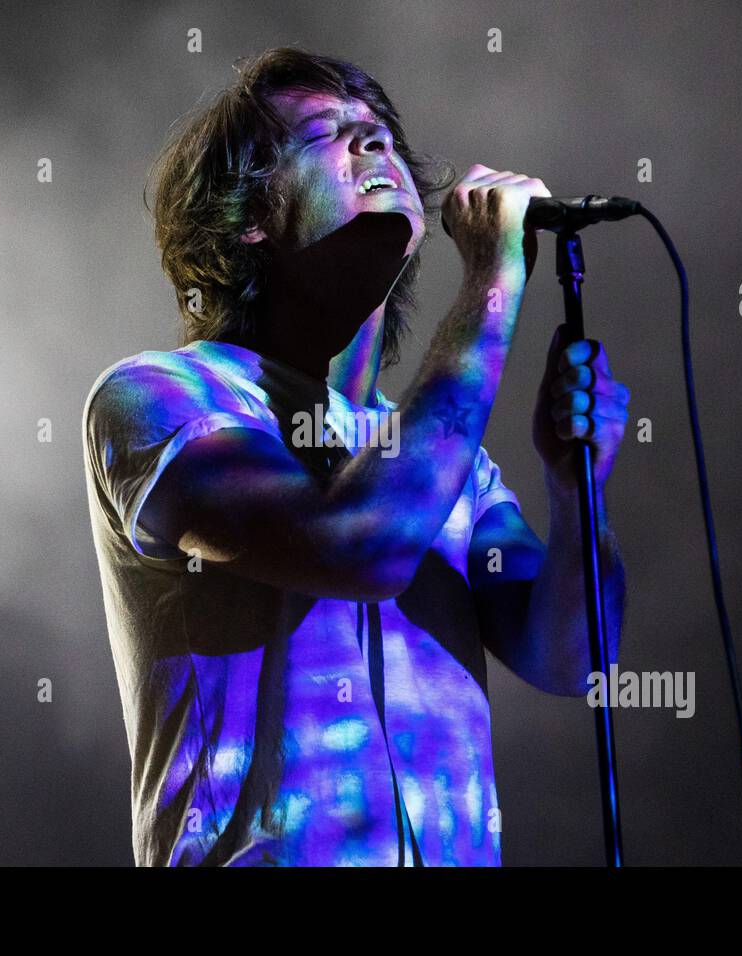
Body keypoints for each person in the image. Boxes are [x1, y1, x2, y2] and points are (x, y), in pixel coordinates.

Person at [82, 47, 629, 866]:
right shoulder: (160, 400)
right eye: (330, 135)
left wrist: (573, 486)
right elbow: (359, 542)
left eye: (381, 133)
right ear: (249, 216)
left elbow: (572, 655)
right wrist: (492, 279)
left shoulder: (452, 471)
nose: (375, 146)